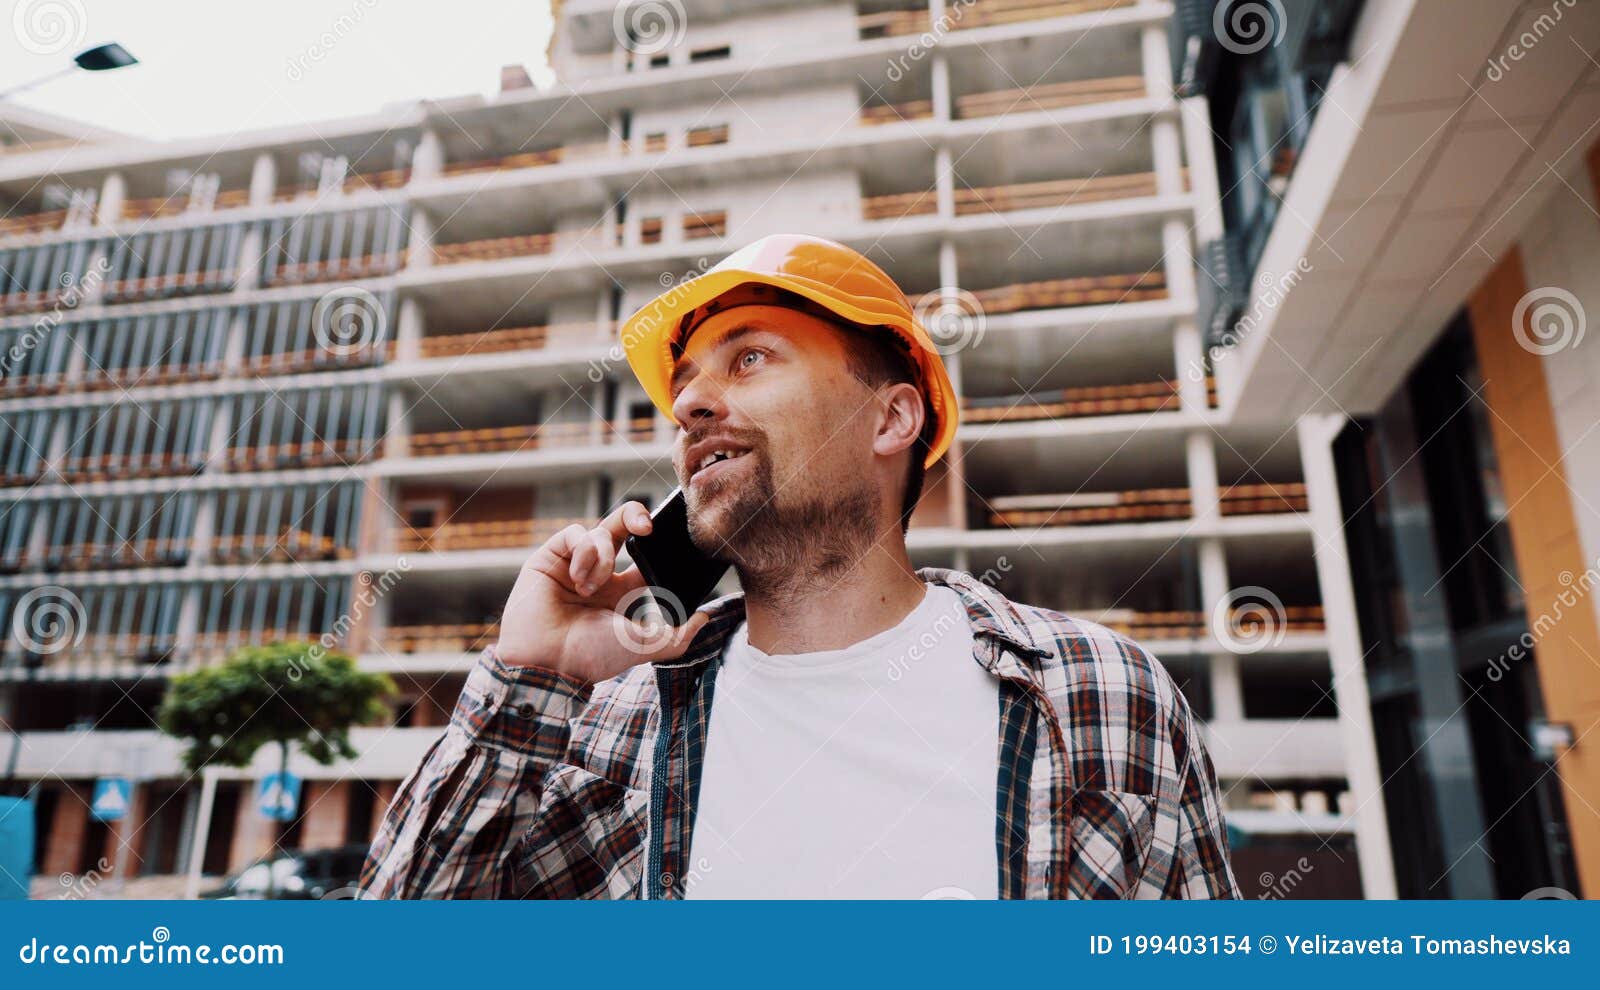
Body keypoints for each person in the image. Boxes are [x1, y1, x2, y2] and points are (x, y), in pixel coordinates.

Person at [361, 233, 1238, 899]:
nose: (689, 403)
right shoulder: (606, 727)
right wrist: (532, 676)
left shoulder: (1102, 696)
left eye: (749, 358)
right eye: (684, 386)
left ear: (892, 420)